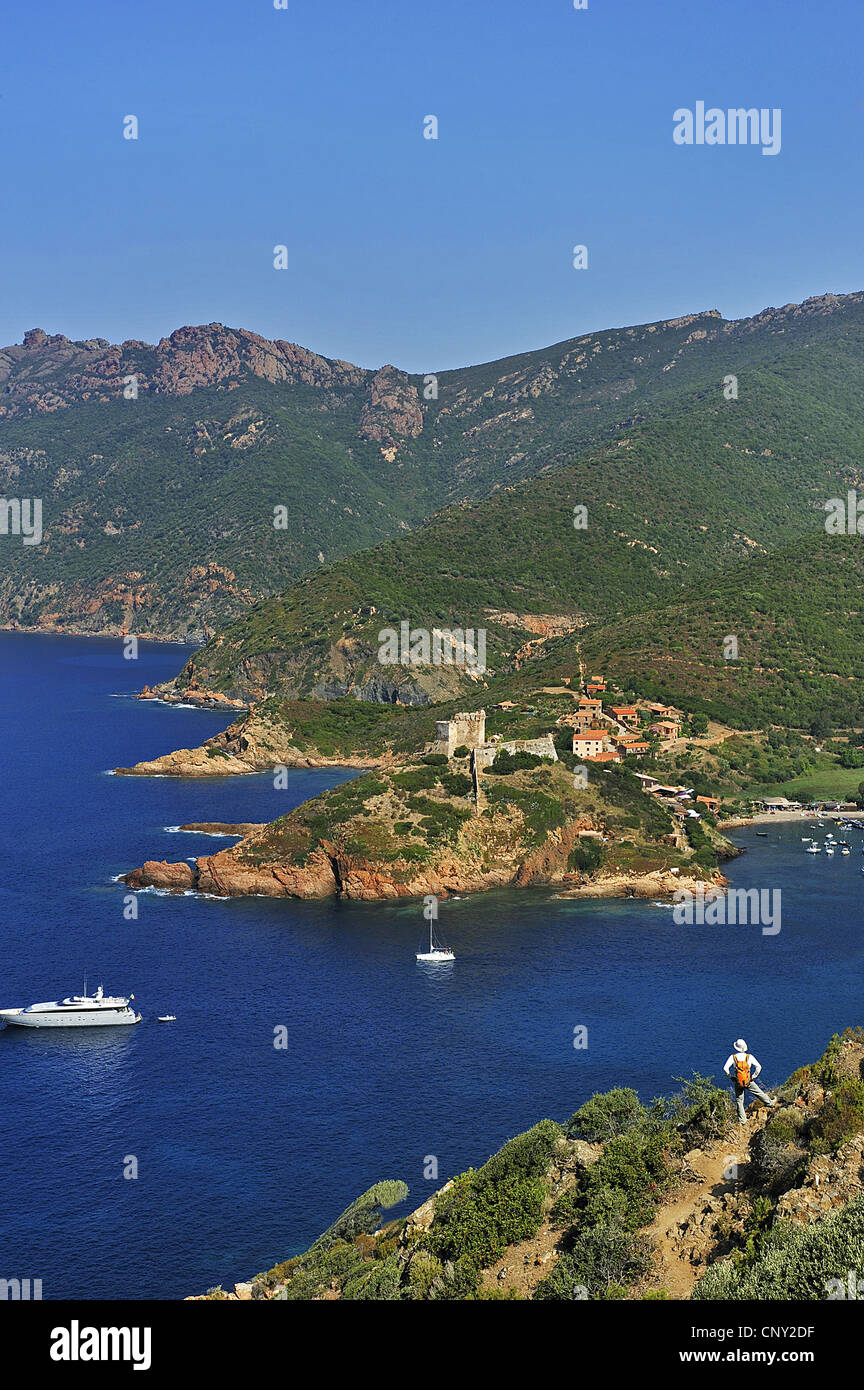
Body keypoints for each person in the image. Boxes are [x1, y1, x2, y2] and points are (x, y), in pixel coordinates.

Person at [723, 1038, 777, 1124]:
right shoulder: (749, 1057)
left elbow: (725, 1068)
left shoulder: (733, 1057)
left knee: (739, 1101)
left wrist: (731, 1077)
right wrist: (753, 1076)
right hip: (748, 1081)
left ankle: (742, 1120)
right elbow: (759, 1067)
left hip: (738, 1082)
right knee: (759, 1093)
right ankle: (770, 1103)